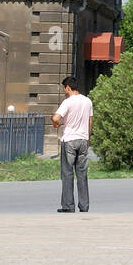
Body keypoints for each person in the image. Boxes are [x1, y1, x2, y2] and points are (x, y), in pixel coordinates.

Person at [53, 76, 92, 213]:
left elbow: (56, 117)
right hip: (83, 140)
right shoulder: (88, 101)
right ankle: (84, 205)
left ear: (68, 88)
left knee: (67, 173)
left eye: (64, 88)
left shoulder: (67, 102)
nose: (64, 91)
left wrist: (56, 124)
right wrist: (87, 138)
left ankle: (68, 206)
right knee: (82, 174)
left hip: (69, 140)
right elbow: (90, 121)